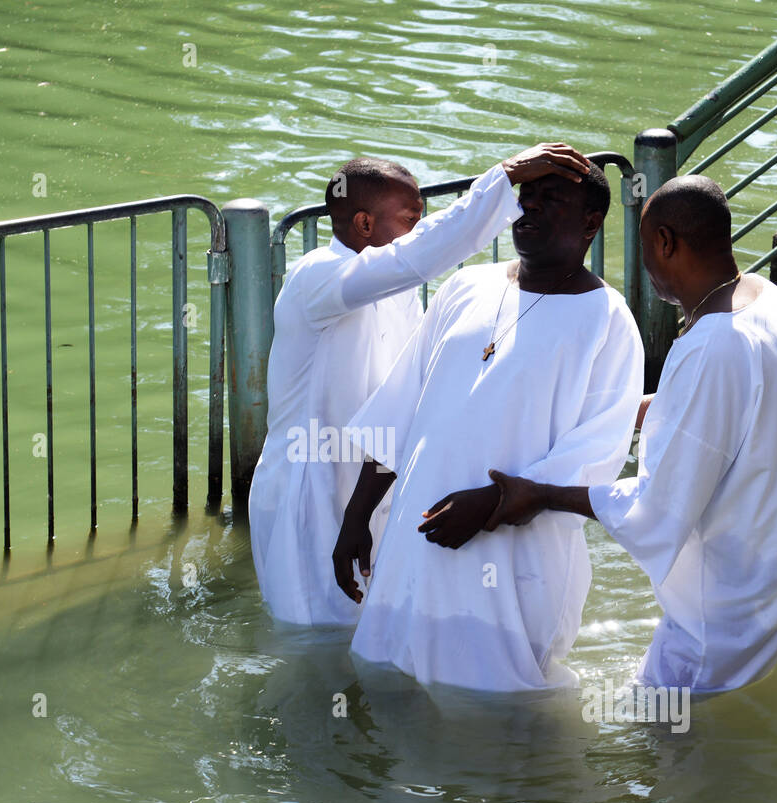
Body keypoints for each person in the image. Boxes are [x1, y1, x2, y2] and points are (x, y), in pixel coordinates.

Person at [484, 175, 777, 695]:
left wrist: (540, 494)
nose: (644, 264)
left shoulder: (708, 344)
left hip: (744, 592)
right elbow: (732, 412)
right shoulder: (771, 301)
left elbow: (658, 508)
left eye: (644, 248)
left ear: (665, 242)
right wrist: (614, 413)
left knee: (663, 725)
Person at [250, 143, 593, 626]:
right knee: (311, 639)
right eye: (410, 219)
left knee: (372, 630)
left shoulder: (397, 288)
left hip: (370, 485)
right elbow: (416, 258)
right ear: (365, 225)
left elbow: (406, 393)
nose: (418, 232)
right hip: (306, 490)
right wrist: (503, 176)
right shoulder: (318, 278)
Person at [331, 162, 644, 692]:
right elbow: (399, 408)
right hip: (414, 545)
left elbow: (595, 453)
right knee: (390, 693)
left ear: (590, 225)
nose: (529, 206)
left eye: (551, 199)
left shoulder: (608, 321)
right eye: (526, 194)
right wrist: (356, 517)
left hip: (512, 561)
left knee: (498, 720)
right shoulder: (465, 286)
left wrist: (493, 502)